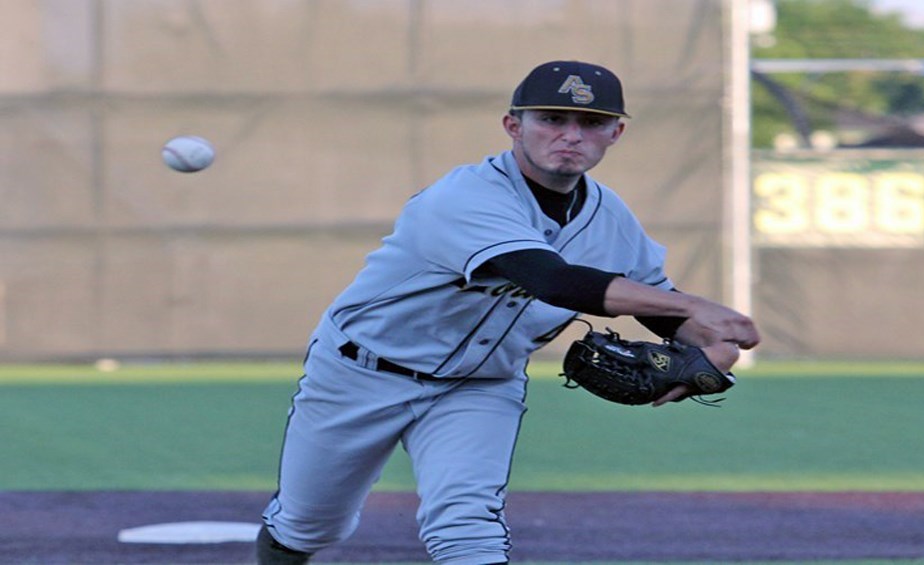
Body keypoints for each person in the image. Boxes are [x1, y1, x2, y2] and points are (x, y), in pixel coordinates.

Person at [257, 60, 760, 564]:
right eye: (551, 119)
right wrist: (696, 306)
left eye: (590, 123)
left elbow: (663, 310)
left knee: (467, 528)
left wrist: (716, 351)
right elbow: (553, 280)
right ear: (512, 125)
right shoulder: (466, 196)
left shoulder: (611, 219)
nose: (570, 135)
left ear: (616, 133)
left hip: (479, 385)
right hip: (360, 372)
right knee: (308, 526)